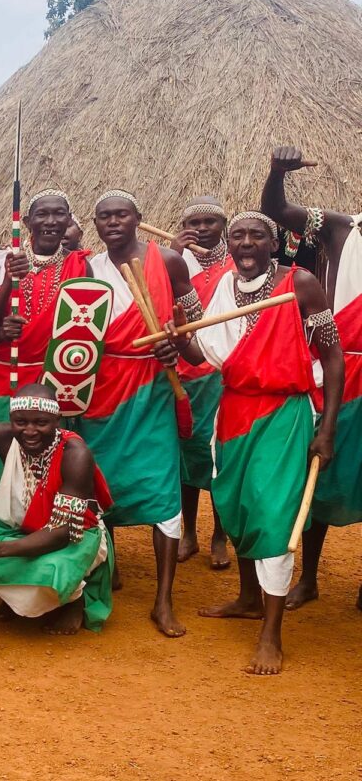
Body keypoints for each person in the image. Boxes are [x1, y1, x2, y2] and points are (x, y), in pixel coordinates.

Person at [177, 212, 343, 675]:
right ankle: (249, 598)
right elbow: (204, 353)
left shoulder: (301, 283)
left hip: (283, 415)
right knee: (235, 507)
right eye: (239, 236)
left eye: (257, 235)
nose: (246, 243)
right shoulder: (223, 288)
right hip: (232, 411)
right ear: (229, 244)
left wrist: (326, 430)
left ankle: (271, 634)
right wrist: (176, 340)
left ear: (276, 242)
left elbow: (332, 358)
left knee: (272, 515)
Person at [78, 191, 202, 637]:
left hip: (152, 389)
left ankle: (163, 601)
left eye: (122, 215)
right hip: (101, 392)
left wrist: (176, 341)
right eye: (105, 216)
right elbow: (74, 338)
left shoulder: (169, 261)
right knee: (98, 484)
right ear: (95, 224)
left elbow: (195, 334)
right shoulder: (87, 269)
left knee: (163, 492)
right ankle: (100, 574)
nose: (113, 222)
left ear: (139, 219)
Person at [261, 147, 362, 610]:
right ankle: (309, 577)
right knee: (319, 473)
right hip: (345, 371)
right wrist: (278, 172)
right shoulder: (346, 229)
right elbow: (276, 212)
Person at [0, 383, 115, 634]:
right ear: (11, 419)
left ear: (56, 421)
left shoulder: (75, 454)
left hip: (71, 538)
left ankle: (73, 601)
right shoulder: (1, 435)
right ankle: (15, 598)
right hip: (18, 529)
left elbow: (63, 532)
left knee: (54, 570)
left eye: (40, 422)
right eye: (20, 422)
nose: (30, 431)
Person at [0, 189, 89, 503]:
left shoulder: (81, 266)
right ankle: (3, 541)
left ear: (68, 220)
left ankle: (41, 542)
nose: (51, 222)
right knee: (0, 473)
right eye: (42, 214)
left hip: (54, 382)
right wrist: (2, 325)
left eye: (59, 215)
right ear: (27, 221)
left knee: (48, 477)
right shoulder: (2, 260)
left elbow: (86, 331)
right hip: (4, 379)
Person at [172, 198, 234, 569]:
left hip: (223, 373)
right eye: (194, 222)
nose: (202, 228)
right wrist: (173, 256)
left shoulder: (238, 264)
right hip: (183, 372)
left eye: (210, 221)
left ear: (223, 224)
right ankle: (189, 532)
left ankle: (220, 536)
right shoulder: (177, 263)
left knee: (219, 456)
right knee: (186, 455)